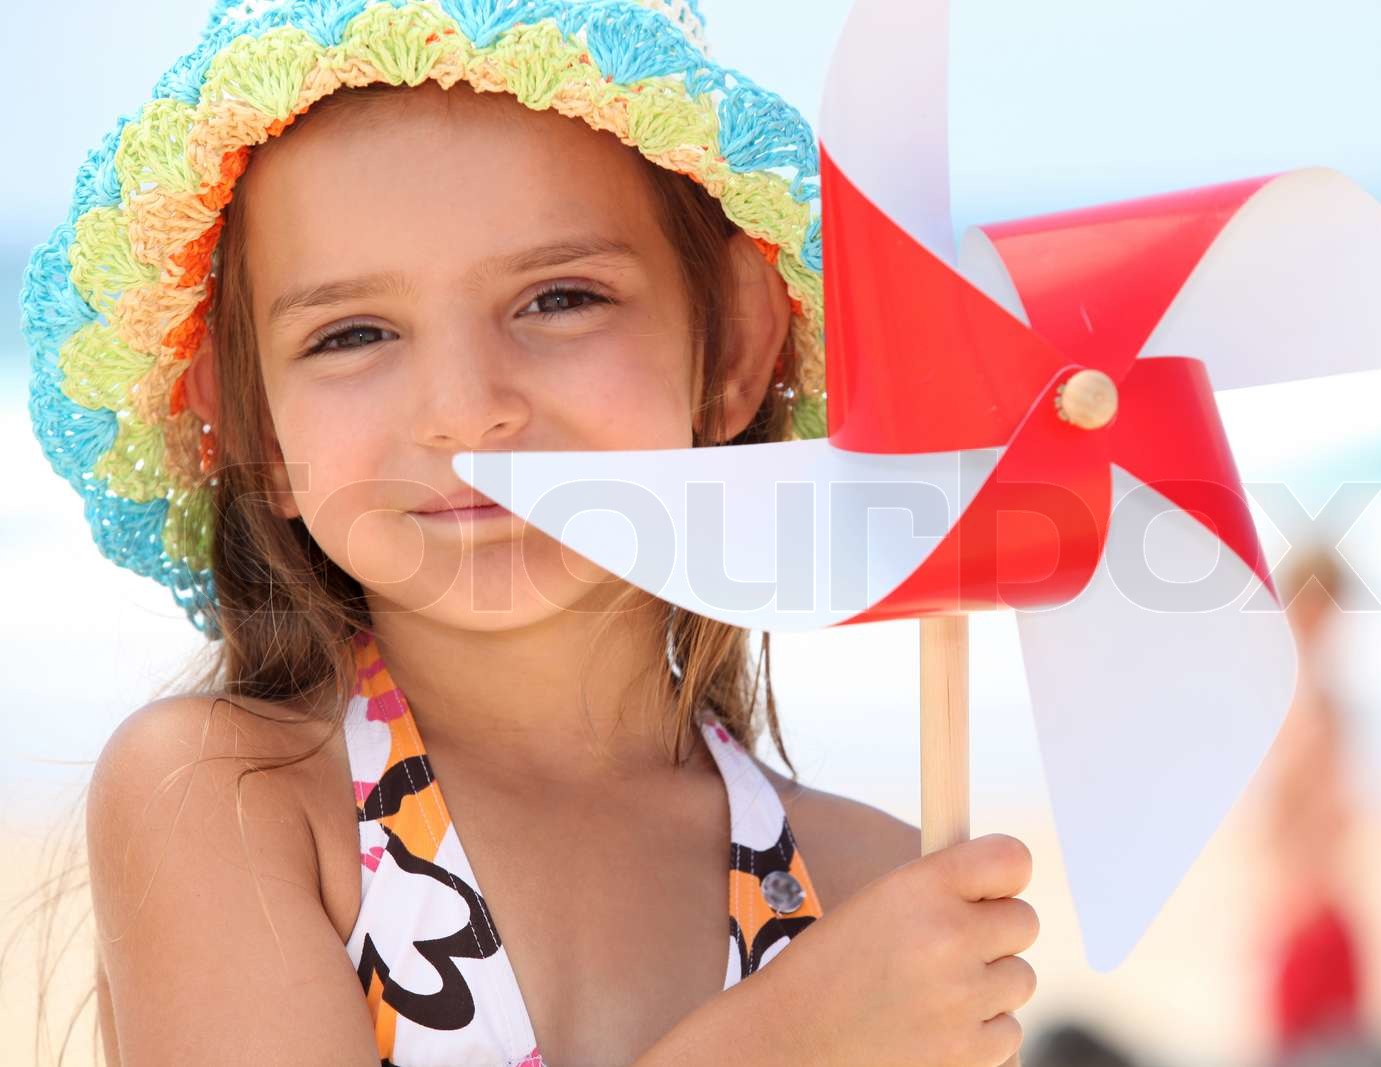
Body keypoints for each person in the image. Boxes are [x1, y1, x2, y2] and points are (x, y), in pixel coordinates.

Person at [18, 2, 1040, 1064]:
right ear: (253, 428)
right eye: (352, 332)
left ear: (733, 346)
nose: (464, 407)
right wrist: (788, 1036)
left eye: (559, 298)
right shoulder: (231, 797)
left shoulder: (874, 881)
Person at [1257, 545, 1366, 1061]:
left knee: (1334, 1039)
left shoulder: (1314, 693)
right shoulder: (1295, 694)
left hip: (1319, 896)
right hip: (1302, 901)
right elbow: (1282, 809)